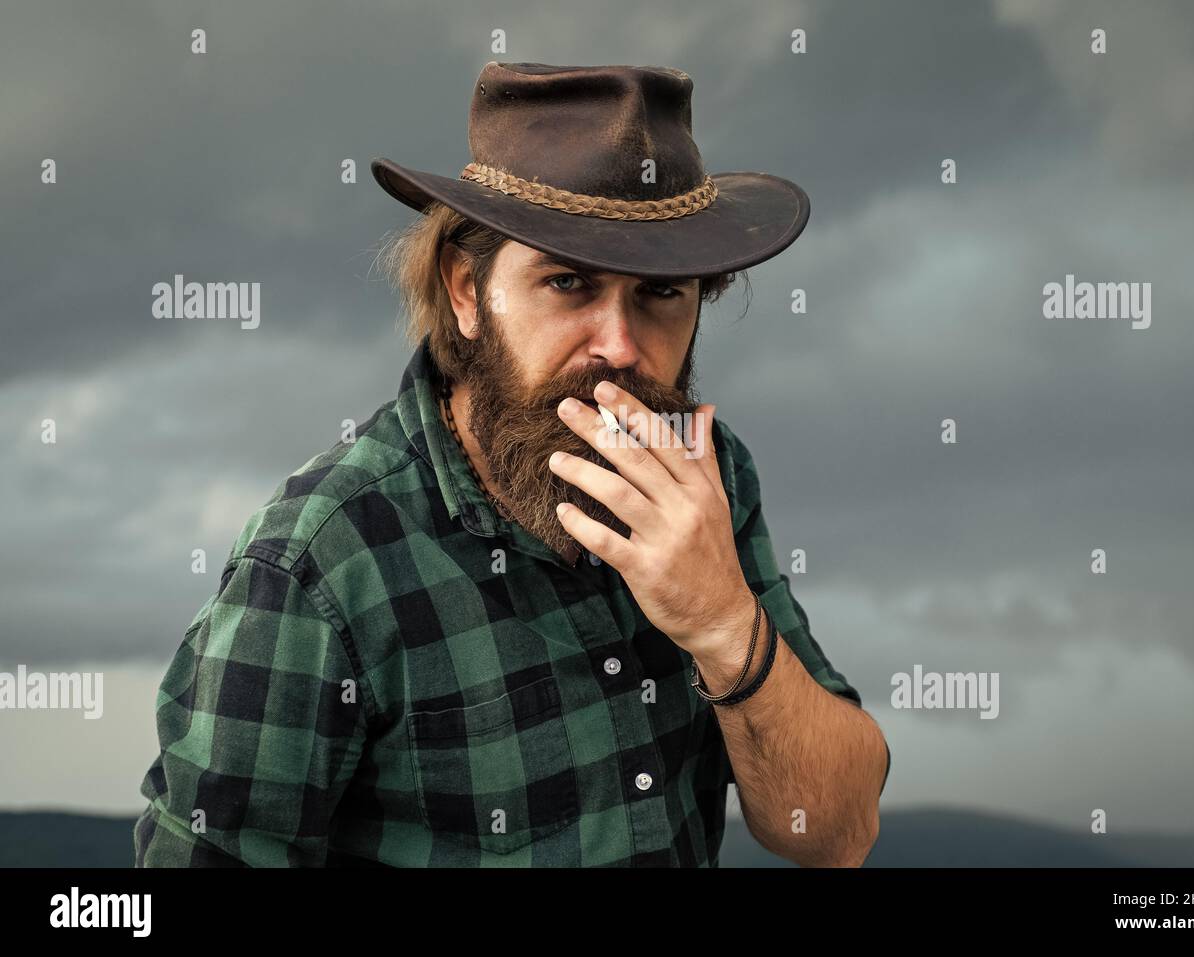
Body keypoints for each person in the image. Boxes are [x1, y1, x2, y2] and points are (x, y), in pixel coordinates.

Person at [134, 61, 889, 868]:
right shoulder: (320, 565)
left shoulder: (709, 477)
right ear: (467, 290)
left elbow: (836, 832)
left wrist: (723, 625)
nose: (622, 346)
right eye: (568, 283)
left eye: (661, 293)